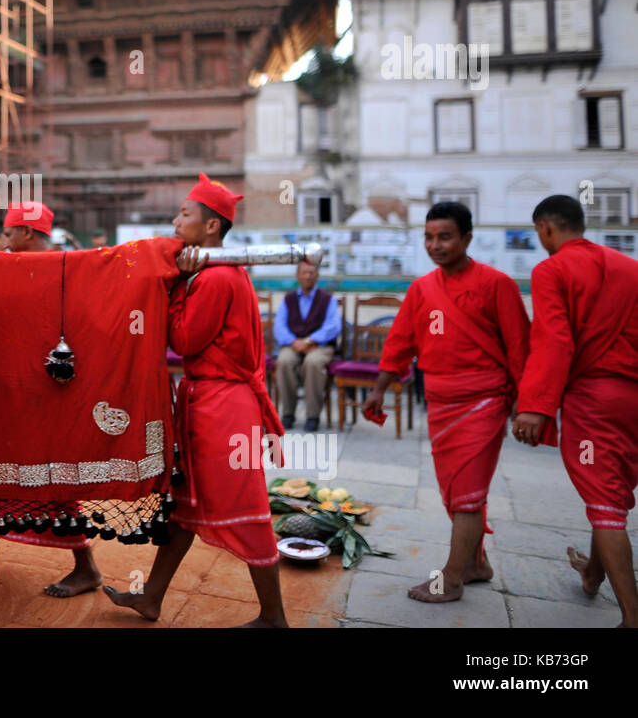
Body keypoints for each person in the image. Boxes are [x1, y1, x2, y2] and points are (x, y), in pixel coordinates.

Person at [105, 174, 288, 627]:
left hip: (224, 410)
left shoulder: (215, 277)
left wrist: (177, 287)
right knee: (184, 512)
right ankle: (151, 598)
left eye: (184, 214)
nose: (174, 220)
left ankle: (274, 617)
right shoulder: (217, 271)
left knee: (247, 513)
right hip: (211, 403)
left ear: (211, 227)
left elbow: (184, 340)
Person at [364, 201, 529, 605]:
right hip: (439, 403)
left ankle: (452, 579)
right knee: (455, 492)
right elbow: (400, 342)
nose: (435, 245)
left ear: (467, 239)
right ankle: (476, 563)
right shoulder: (422, 289)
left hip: (484, 401)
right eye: (429, 237)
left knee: (468, 495)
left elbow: (521, 349)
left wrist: (527, 406)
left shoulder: (498, 284)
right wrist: (379, 388)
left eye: (444, 237)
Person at [0, 201, 104, 597]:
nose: (4, 244)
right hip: (20, 393)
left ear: (25, 234)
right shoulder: (39, 267)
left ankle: (87, 567)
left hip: (51, 394)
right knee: (10, 471)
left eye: (8, 235)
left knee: (52, 481)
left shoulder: (62, 268)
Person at [512, 194, 638, 628]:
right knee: (609, 490)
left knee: (604, 500)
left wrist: (534, 407)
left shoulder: (552, 269)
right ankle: (593, 574)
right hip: (633, 398)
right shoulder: (630, 268)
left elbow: (554, 340)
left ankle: (631, 618)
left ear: (546, 228)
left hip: (594, 401)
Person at [273, 261, 341, 431]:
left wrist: (310, 341)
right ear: (297, 275)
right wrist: (293, 342)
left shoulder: (328, 299)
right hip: (294, 343)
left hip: (320, 345)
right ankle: (288, 414)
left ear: (317, 275)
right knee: (284, 361)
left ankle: (313, 416)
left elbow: (333, 326)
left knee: (313, 363)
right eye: (304, 272)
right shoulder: (288, 299)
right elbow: (279, 326)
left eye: (311, 272)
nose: (308, 276)